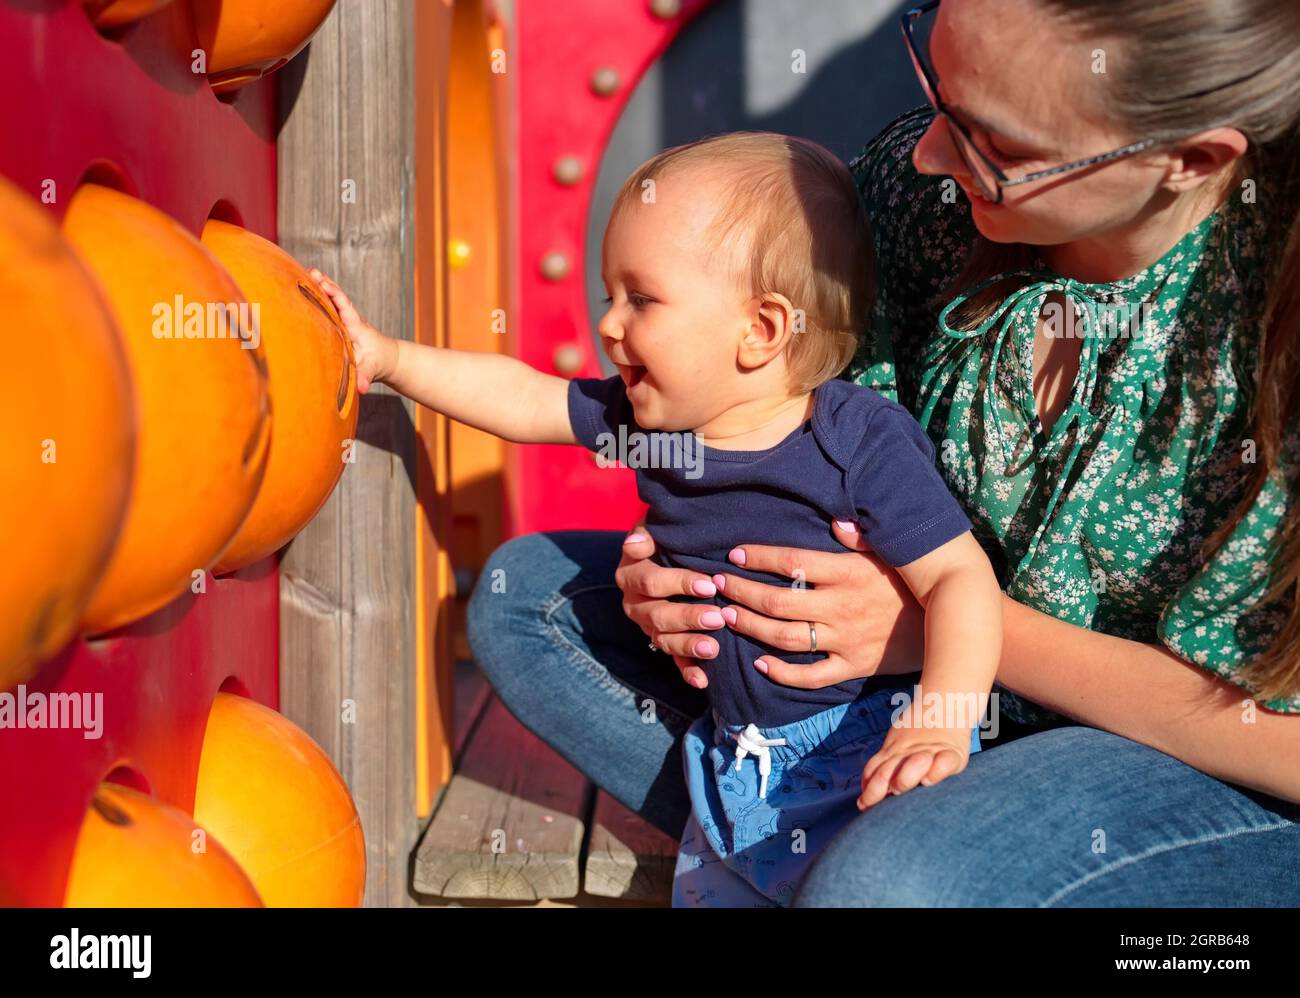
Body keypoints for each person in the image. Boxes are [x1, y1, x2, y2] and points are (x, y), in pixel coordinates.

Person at [467, 0, 1300, 906]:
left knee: (894, 883)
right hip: (891, 707)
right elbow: (772, 436)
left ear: (1194, 159)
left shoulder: (1262, 326)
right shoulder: (924, 194)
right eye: (937, 83)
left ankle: (848, 854)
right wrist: (684, 574)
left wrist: (938, 632)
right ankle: (819, 837)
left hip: (1184, 766)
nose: (928, 152)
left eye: (1000, 145)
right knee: (532, 605)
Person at [311, 126, 1002, 907]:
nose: (609, 324)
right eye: (612, 295)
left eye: (641, 299)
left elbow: (956, 576)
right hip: (734, 758)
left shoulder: (854, 439)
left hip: (868, 748)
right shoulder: (654, 427)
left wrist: (942, 719)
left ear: (762, 331)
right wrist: (390, 359)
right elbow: (526, 397)